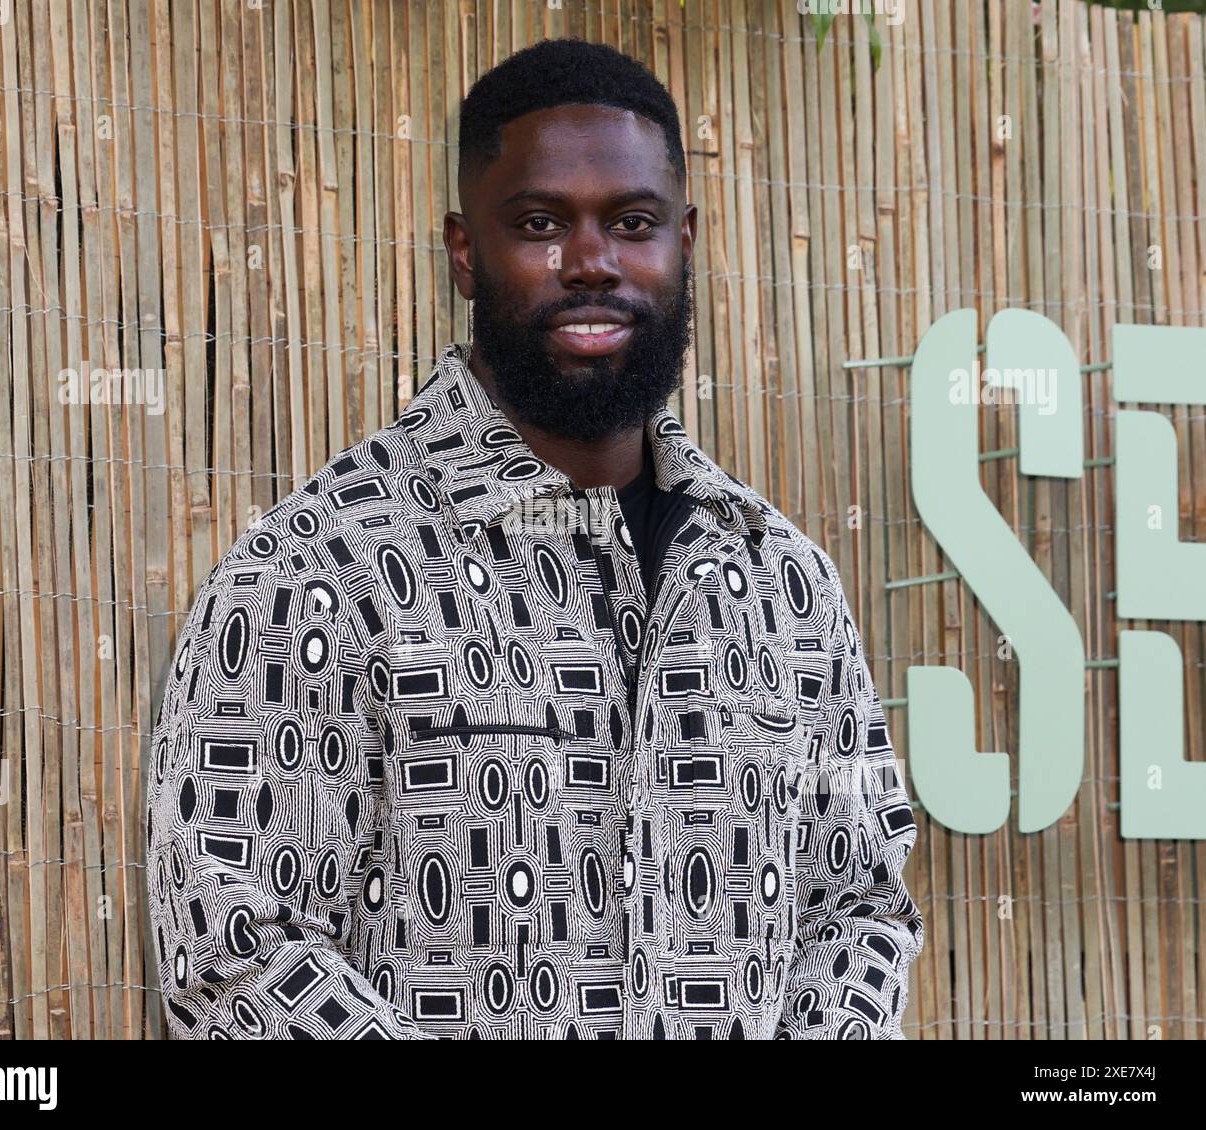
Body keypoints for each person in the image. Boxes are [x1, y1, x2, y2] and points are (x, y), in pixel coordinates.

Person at [146, 37, 923, 1039]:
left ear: (683, 240)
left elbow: (857, 904)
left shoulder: (784, 580)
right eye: (540, 222)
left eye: (632, 223)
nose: (591, 260)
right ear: (465, 251)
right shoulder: (315, 572)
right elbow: (233, 948)